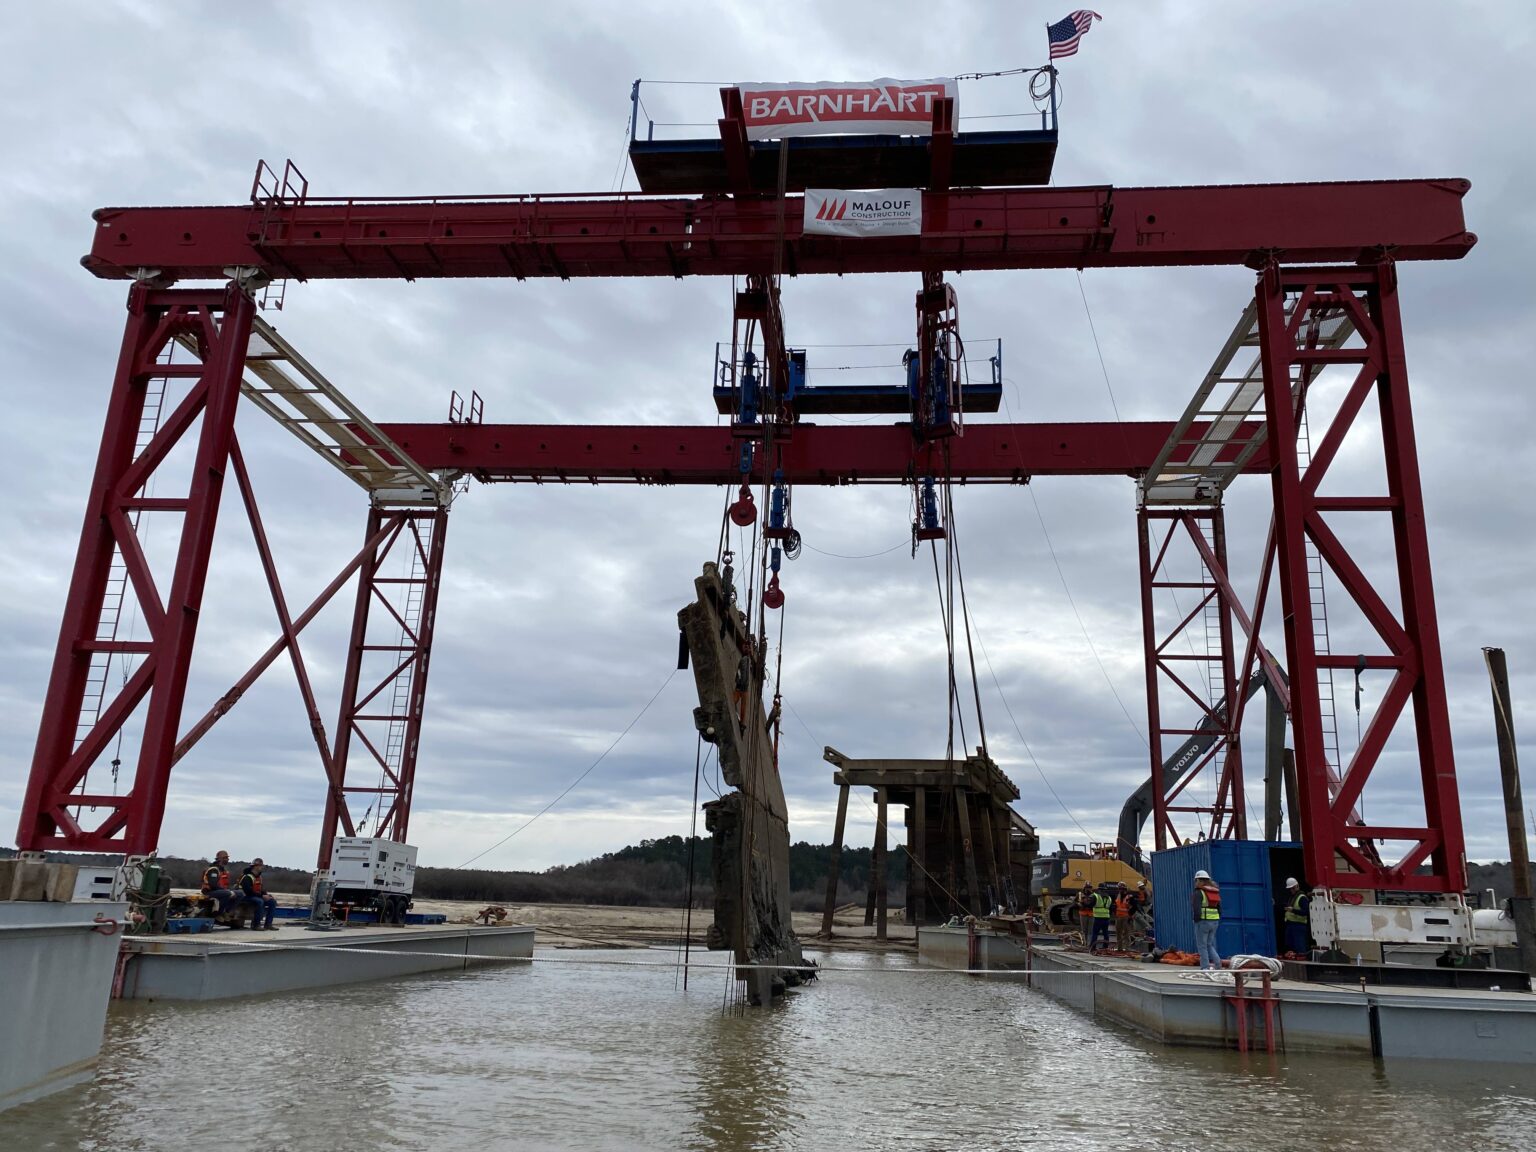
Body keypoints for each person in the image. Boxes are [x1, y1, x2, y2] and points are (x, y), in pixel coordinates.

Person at [1191, 869, 1222, 970]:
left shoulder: (1198, 892)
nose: (1195, 883)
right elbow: (1219, 909)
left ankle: (1205, 967)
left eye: (1196, 880)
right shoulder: (1214, 891)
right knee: (1209, 944)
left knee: (1202, 946)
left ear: (1200, 881)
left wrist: (1196, 920)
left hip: (1203, 922)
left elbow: (1196, 908)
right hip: (1215, 922)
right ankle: (1218, 965)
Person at [238, 858, 279, 931]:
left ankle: (268, 924)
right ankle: (256, 925)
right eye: (260, 866)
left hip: (255, 896)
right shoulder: (247, 877)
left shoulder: (259, 877)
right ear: (255, 866)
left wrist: (266, 895)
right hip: (245, 897)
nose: (261, 867)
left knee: (272, 902)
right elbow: (248, 891)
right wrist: (262, 896)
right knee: (260, 901)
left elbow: (261, 889)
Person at [200, 850, 238, 914]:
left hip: (221, 891)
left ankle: (227, 912)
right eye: (226, 858)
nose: (228, 859)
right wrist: (228, 891)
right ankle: (219, 914)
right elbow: (213, 885)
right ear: (220, 859)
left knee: (240, 893)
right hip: (209, 892)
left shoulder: (223, 870)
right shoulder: (213, 870)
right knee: (227, 893)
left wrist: (230, 890)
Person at [1282, 877, 1310, 956]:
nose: (1292, 890)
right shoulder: (1293, 897)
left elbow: (1306, 912)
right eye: (1290, 889)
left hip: (1299, 926)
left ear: (1297, 886)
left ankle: (1302, 961)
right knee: (1290, 946)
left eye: (1293, 888)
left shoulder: (1302, 898)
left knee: (1300, 947)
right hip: (1291, 925)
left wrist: (1293, 910)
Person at [1089, 884, 1113, 953]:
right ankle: (1105, 947)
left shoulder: (1096, 896)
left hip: (1098, 917)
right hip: (1106, 918)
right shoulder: (1109, 898)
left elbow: (1090, 905)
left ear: (1099, 889)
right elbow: (1111, 908)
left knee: (1095, 933)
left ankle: (1092, 947)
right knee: (1105, 933)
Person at [1113, 883, 1133, 953]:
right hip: (1118, 917)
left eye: (1121, 888)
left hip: (1126, 917)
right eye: (1119, 889)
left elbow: (1133, 907)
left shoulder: (1129, 897)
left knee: (1126, 933)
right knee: (1118, 933)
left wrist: (1130, 916)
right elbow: (1115, 906)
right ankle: (1120, 948)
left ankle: (1127, 948)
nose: (1120, 890)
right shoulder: (1117, 896)